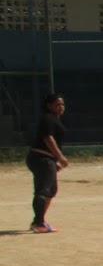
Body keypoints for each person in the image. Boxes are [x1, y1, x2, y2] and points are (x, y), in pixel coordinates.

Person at [27, 94, 68, 234]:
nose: (61, 107)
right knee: (43, 190)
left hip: (47, 159)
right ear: (49, 105)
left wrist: (54, 161)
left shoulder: (54, 119)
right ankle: (38, 223)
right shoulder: (47, 118)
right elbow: (48, 138)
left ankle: (39, 220)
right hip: (41, 158)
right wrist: (60, 157)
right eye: (57, 104)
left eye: (62, 104)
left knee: (51, 190)